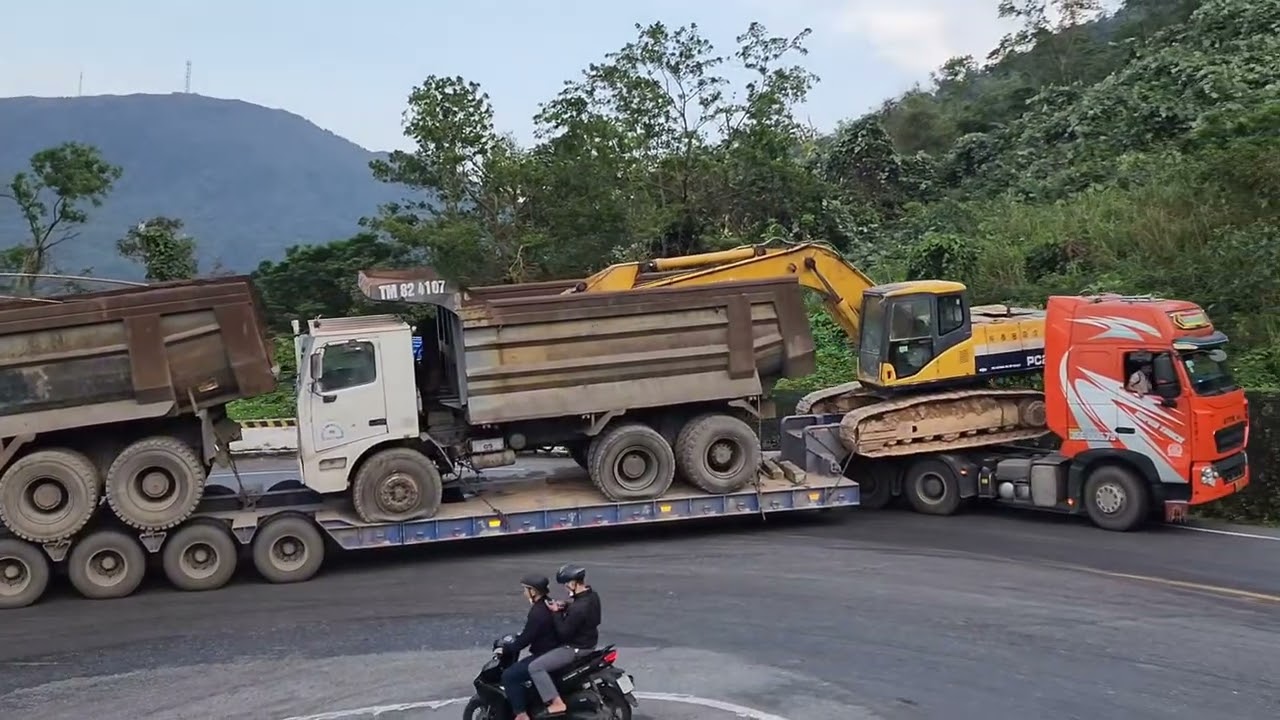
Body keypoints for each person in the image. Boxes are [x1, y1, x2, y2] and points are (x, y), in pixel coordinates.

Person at [525, 564, 603, 717]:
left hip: (575, 648)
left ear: (574, 583)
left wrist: (555, 612)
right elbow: (582, 609)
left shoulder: (578, 608)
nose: (566, 588)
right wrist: (565, 605)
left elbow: (563, 633)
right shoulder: (592, 596)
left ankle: (556, 703)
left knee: (535, 667)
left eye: (567, 584)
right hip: (590, 642)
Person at [504, 574, 559, 720]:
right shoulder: (550, 603)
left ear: (533, 591)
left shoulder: (538, 612)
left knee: (510, 675)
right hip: (555, 649)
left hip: (545, 654)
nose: (524, 593)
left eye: (526, 589)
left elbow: (526, 638)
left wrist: (508, 648)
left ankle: (521, 715)